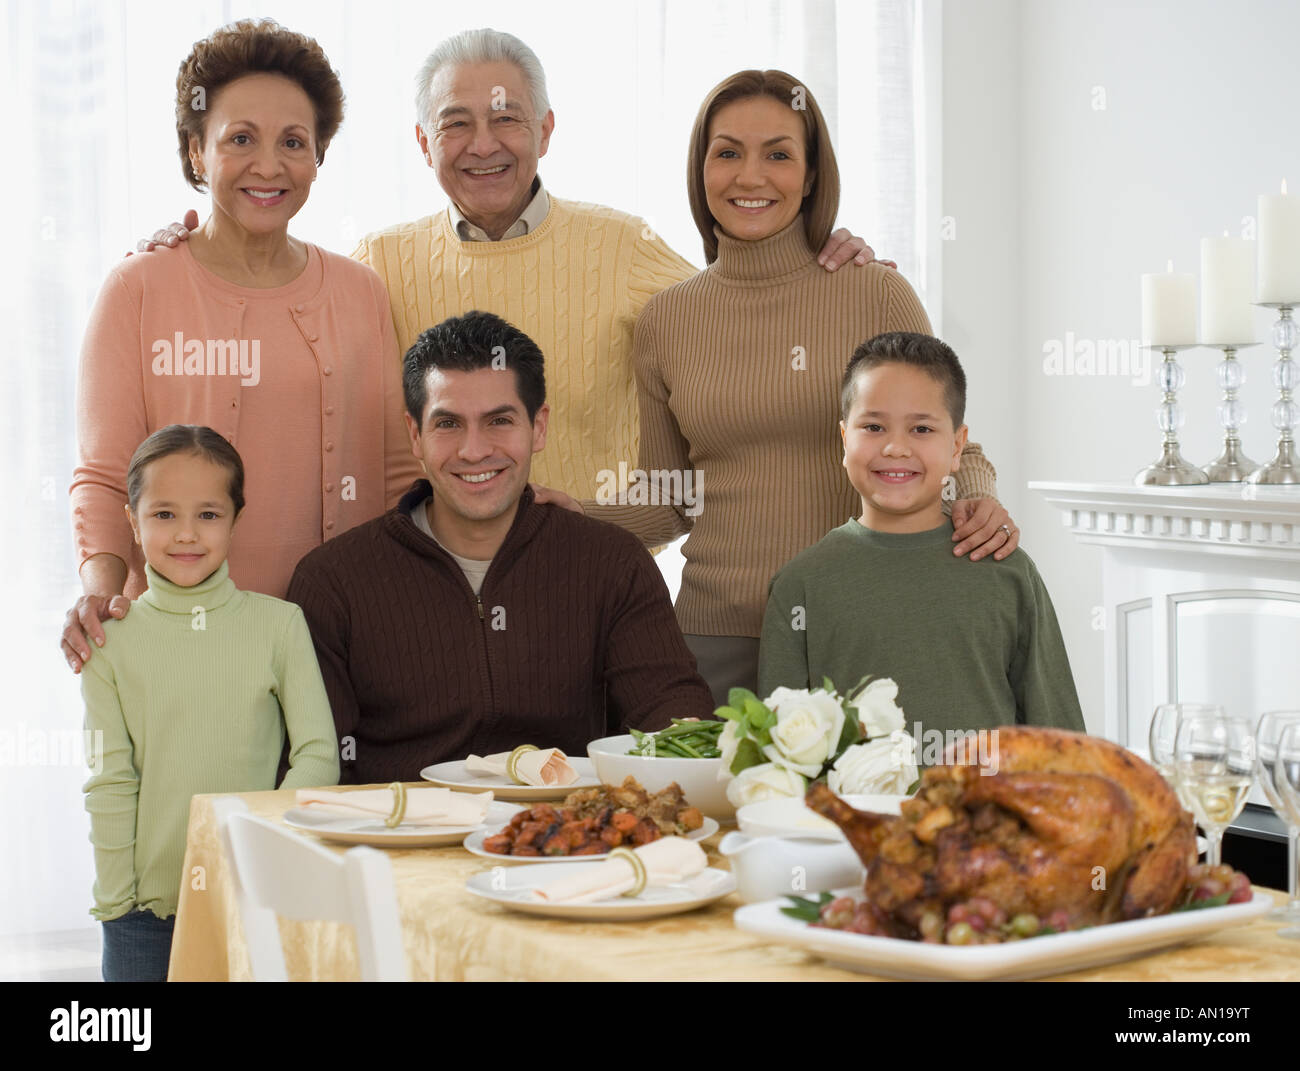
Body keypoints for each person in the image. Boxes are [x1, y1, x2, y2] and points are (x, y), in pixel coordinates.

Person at [141, 28, 878, 505]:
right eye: (456, 123)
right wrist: (189, 248)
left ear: (546, 131)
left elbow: (759, 331)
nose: (482, 143)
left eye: (507, 119)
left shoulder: (624, 251)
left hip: (590, 593)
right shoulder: (374, 269)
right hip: (425, 597)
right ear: (424, 144)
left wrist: (815, 260)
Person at [551, 70, 1019, 704]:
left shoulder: (875, 291)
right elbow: (671, 500)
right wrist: (574, 518)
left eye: (778, 154)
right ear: (701, 169)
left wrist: (979, 498)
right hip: (714, 636)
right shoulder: (666, 319)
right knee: (707, 805)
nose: (751, 176)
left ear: (812, 175)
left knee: (862, 806)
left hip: (859, 624)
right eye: (728, 153)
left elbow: (950, 447)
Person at [63, 18, 420, 673]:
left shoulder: (360, 290)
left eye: (293, 141)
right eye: (240, 139)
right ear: (196, 152)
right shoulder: (136, 288)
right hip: (181, 655)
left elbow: (397, 476)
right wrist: (97, 593)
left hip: (341, 655)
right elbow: (105, 476)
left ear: (318, 155)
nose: (268, 165)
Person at [286, 311, 715, 784]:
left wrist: (690, 752)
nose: (474, 450)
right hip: (399, 839)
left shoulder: (612, 562)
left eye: (499, 421)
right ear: (415, 435)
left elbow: (670, 714)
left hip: (568, 840)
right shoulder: (334, 580)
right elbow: (319, 765)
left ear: (539, 427)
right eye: (448, 423)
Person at [82, 425, 339, 982]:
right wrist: (117, 901)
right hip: (142, 916)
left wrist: (264, 857)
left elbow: (319, 755)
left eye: (208, 514)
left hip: (256, 895)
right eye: (164, 514)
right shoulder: (108, 642)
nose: (186, 535)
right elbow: (110, 779)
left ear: (235, 518)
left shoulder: (279, 626)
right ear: (132, 520)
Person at [758, 332, 1084, 734]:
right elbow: (779, 751)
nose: (896, 448)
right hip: (849, 800)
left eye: (922, 430)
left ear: (957, 446)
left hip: (981, 798)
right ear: (845, 439)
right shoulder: (800, 585)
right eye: (874, 426)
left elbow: (1060, 739)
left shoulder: (1008, 570)